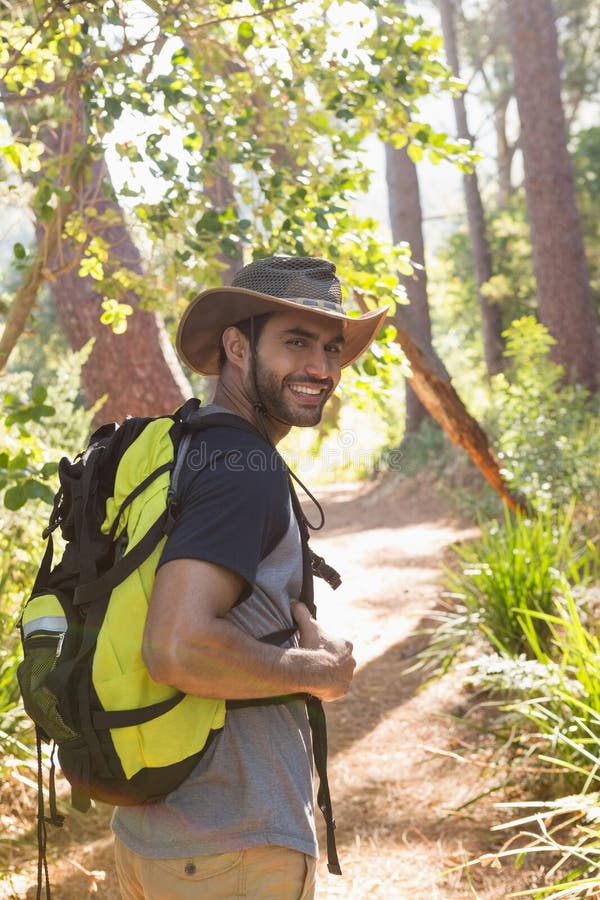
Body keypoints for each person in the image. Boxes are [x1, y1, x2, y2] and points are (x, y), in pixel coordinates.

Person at [112, 255, 388, 899]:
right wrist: (320, 672)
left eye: (331, 348)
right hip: (228, 846)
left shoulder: (189, 447)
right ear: (236, 345)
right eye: (296, 342)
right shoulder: (242, 467)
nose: (322, 368)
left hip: (153, 834)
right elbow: (176, 645)